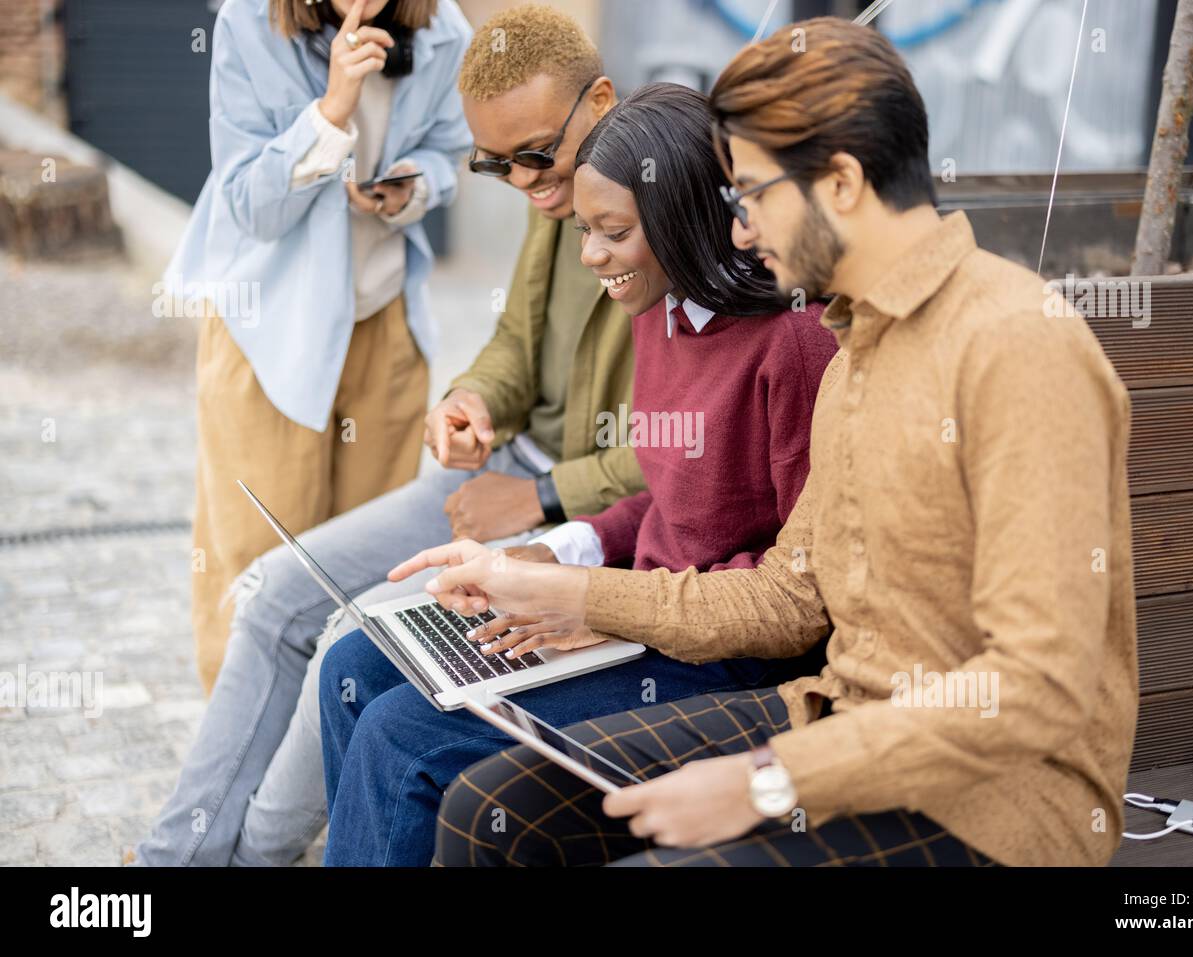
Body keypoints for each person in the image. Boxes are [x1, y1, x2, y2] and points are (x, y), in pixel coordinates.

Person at [420, 17, 1140, 868]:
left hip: (1001, 802)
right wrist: (571, 593)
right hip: (834, 717)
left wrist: (765, 781)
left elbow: (1036, 689)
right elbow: (789, 597)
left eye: (752, 195)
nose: (738, 233)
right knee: (491, 811)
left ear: (837, 183)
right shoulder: (853, 352)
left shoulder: (1016, 345)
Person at [132, 4, 642, 866]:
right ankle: (174, 858)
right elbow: (516, 340)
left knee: (350, 633)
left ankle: (255, 853)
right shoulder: (550, 180)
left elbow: (680, 453)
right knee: (269, 591)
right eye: (501, 164)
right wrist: (475, 399)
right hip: (309, 353)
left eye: (532, 156)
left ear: (600, 100)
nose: (522, 180)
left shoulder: (655, 209)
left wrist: (544, 493)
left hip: (574, 514)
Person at [317, 81, 839, 866]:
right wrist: (563, 552)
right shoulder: (662, 311)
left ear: (683, 221)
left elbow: (799, 593)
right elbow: (671, 501)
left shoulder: (792, 346)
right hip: (637, 610)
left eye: (612, 231)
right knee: (354, 664)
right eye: (586, 230)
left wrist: (605, 608)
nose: (590, 254)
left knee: (406, 737)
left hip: (720, 655)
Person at [170, 0, 473, 695]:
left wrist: (412, 187)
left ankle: (342, 751)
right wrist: (332, 111)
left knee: (375, 562)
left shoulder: (444, 31)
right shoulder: (248, 24)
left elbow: (454, 152)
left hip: (383, 319)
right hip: (269, 329)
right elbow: (248, 202)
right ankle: (238, 769)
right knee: (257, 561)